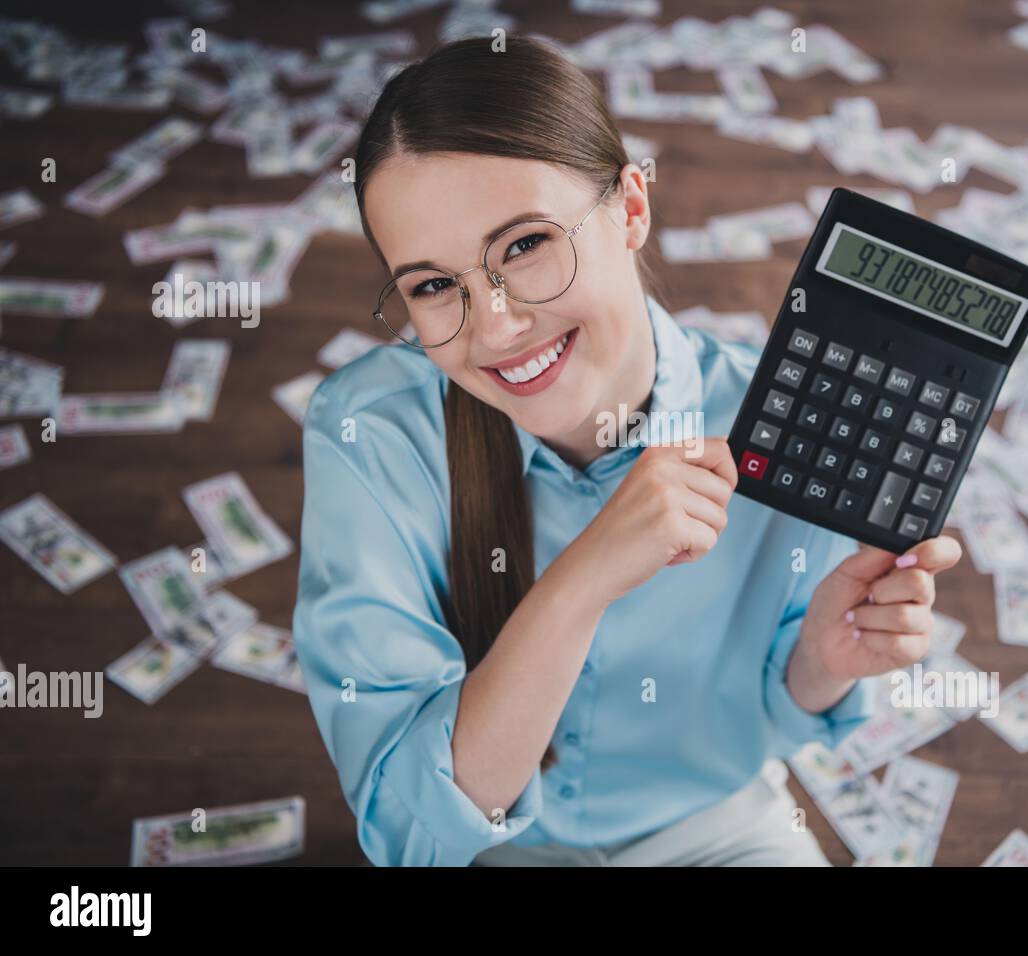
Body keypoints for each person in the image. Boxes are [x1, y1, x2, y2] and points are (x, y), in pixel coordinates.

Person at [291, 36, 962, 867]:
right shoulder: (370, 434)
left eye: (526, 245)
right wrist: (587, 574)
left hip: (717, 827)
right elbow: (405, 822)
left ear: (632, 209)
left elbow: (771, 721)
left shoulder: (779, 417)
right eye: (434, 286)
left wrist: (823, 665)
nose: (495, 326)